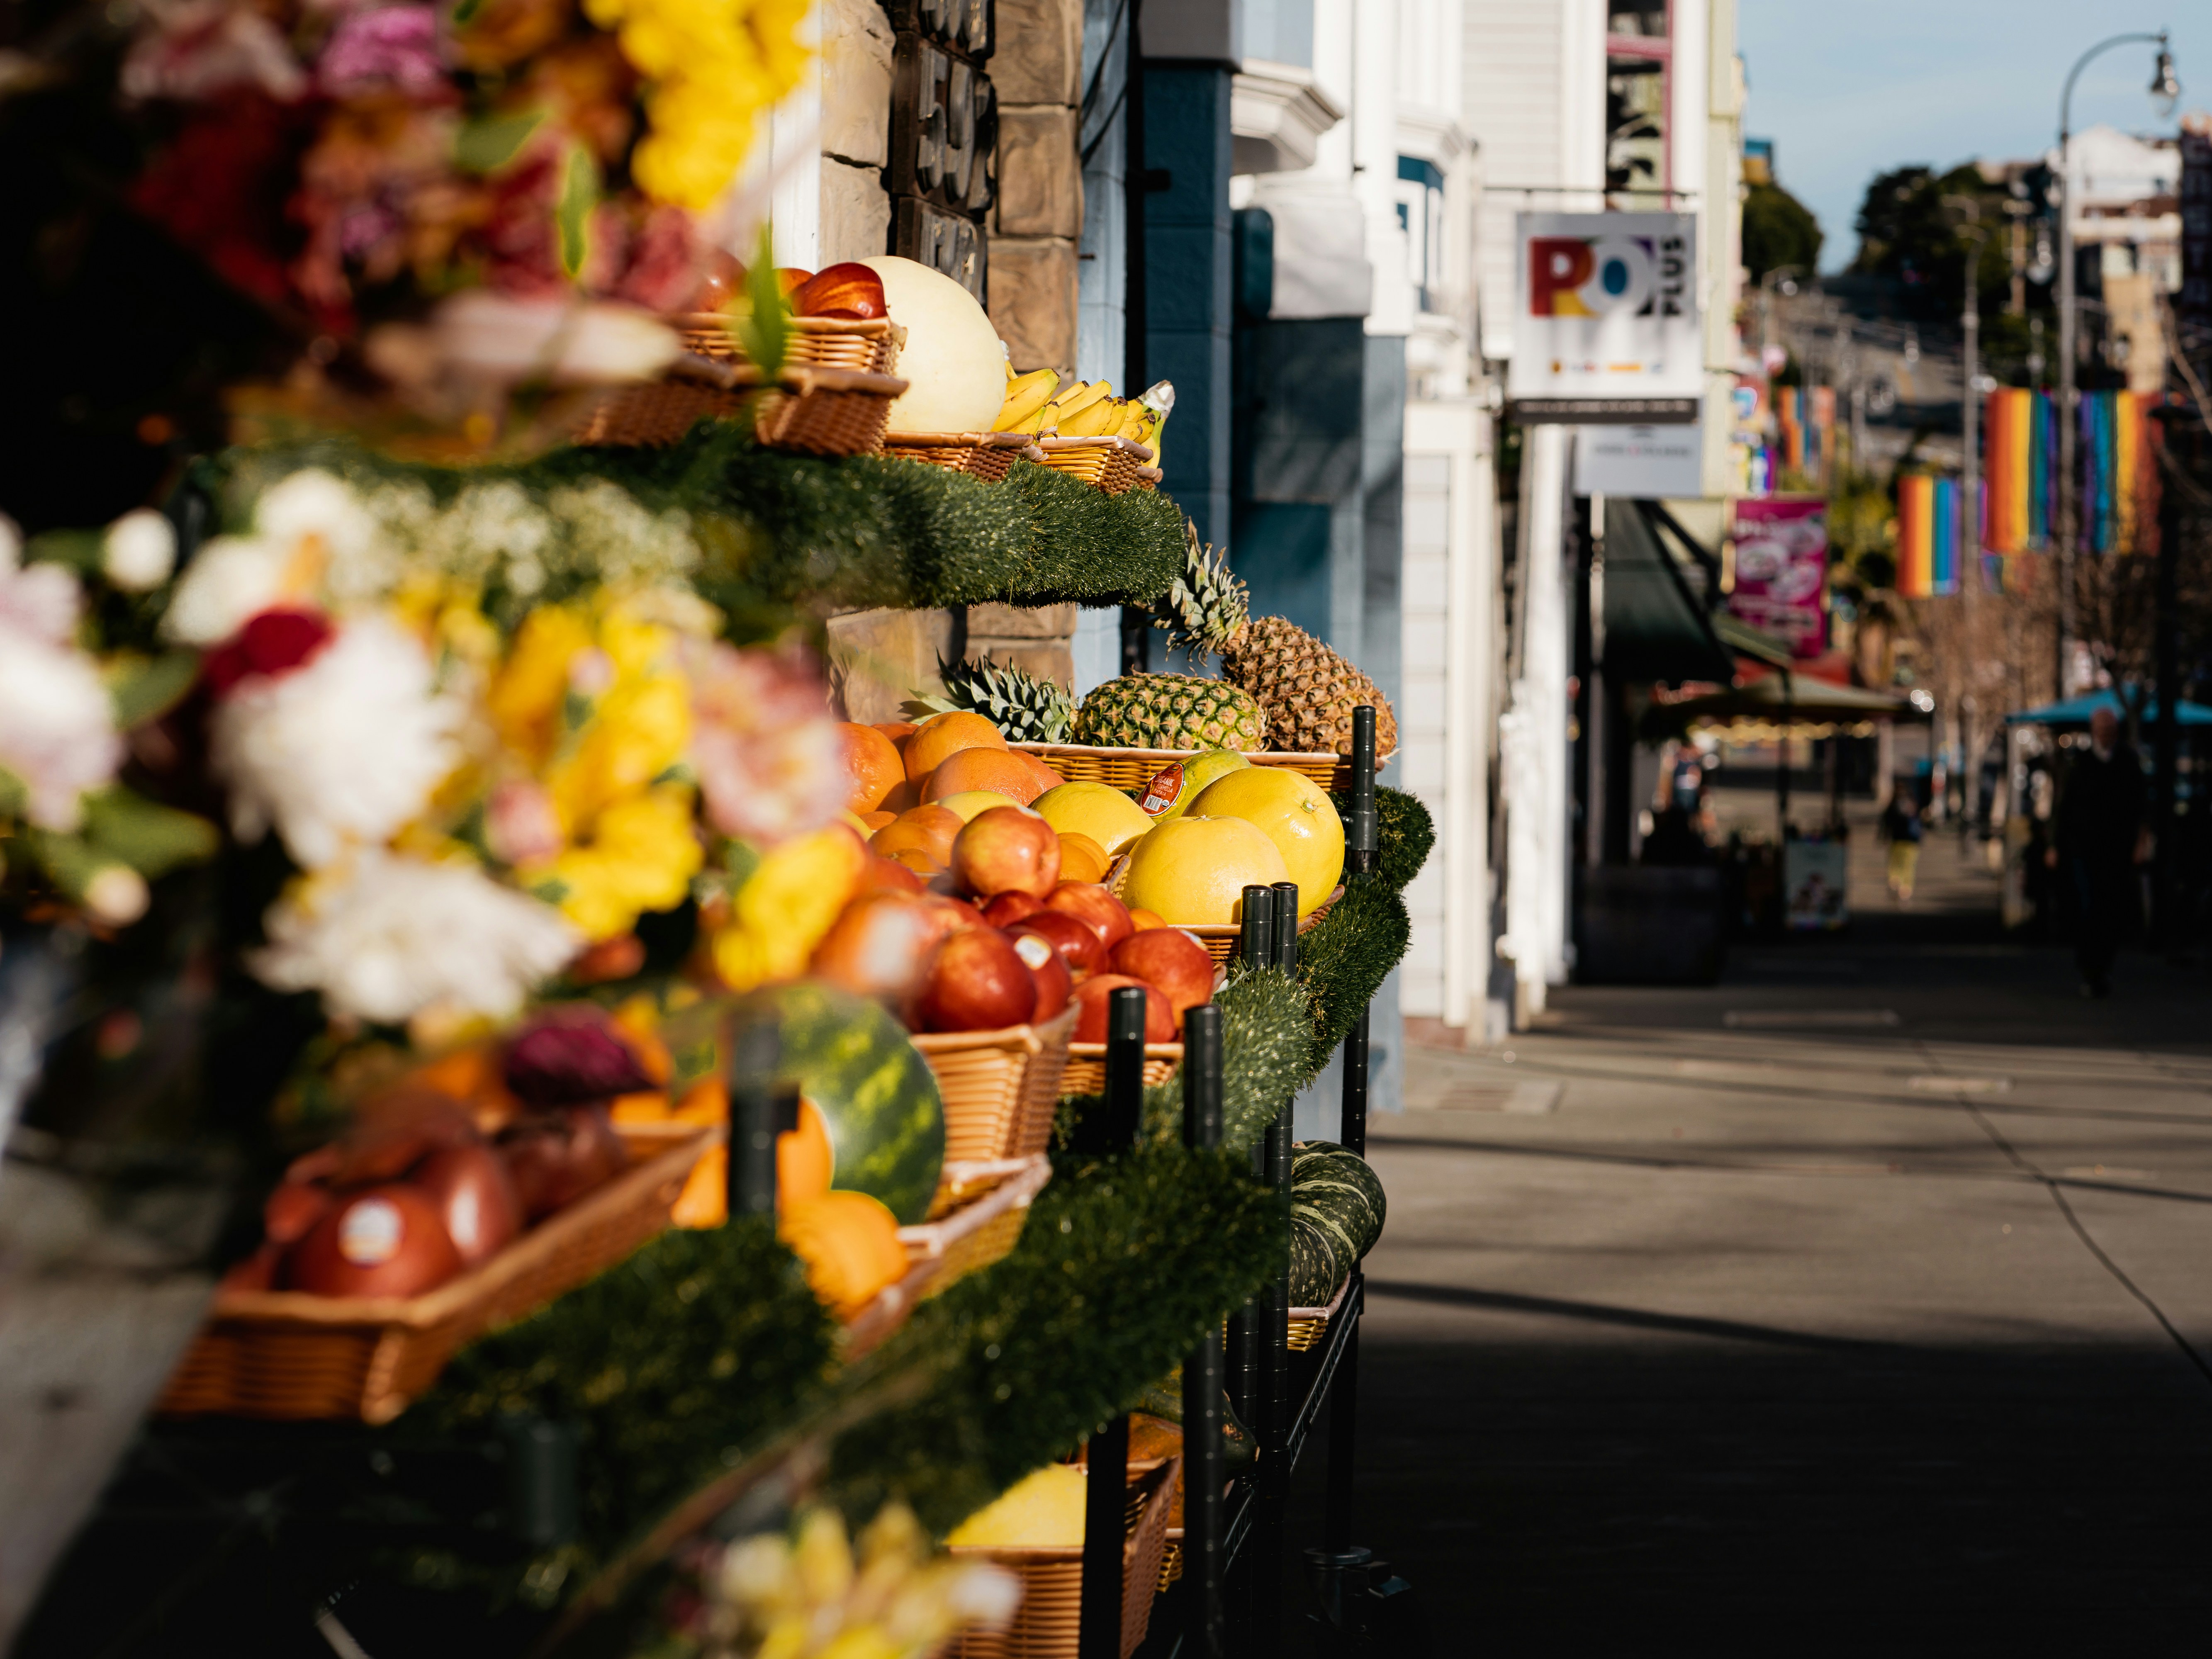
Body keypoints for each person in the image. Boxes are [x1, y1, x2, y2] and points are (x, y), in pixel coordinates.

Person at [2048, 705, 2149, 997]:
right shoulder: (2079, 763)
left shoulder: (2127, 762)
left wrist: (2140, 843)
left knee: (2111, 908)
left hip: (2117, 849)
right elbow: (2063, 807)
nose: (2105, 735)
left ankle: (2101, 966)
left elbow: (2141, 807)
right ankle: (2089, 966)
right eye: (2100, 730)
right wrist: (2055, 845)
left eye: (2109, 730)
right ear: (2093, 732)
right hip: (2084, 848)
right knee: (2088, 905)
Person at [1881, 788, 1922, 902]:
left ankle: (1895, 881)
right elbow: (1919, 824)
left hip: (1897, 840)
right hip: (1911, 842)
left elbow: (1886, 822)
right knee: (1908, 865)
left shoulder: (1894, 806)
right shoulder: (1914, 804)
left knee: (1895, 863)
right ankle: (1906, 889)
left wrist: (1883, 837)